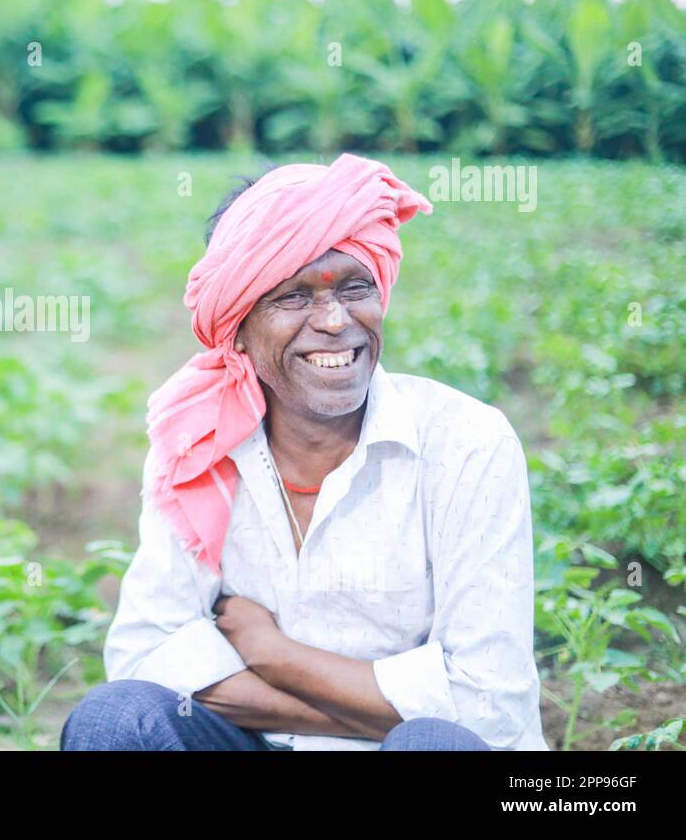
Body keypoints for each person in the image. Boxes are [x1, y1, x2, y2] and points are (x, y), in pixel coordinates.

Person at [61, 153, 548, 751]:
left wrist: (276, 655)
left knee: (432, 745)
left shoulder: (467, 444)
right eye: (293, 296)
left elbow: (488, 708)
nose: (336, 320)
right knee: (116, 719)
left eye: (355, 286)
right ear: (237, 324)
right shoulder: (198, 442)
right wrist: (381, 701)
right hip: (256, 743)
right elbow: (144, 652)